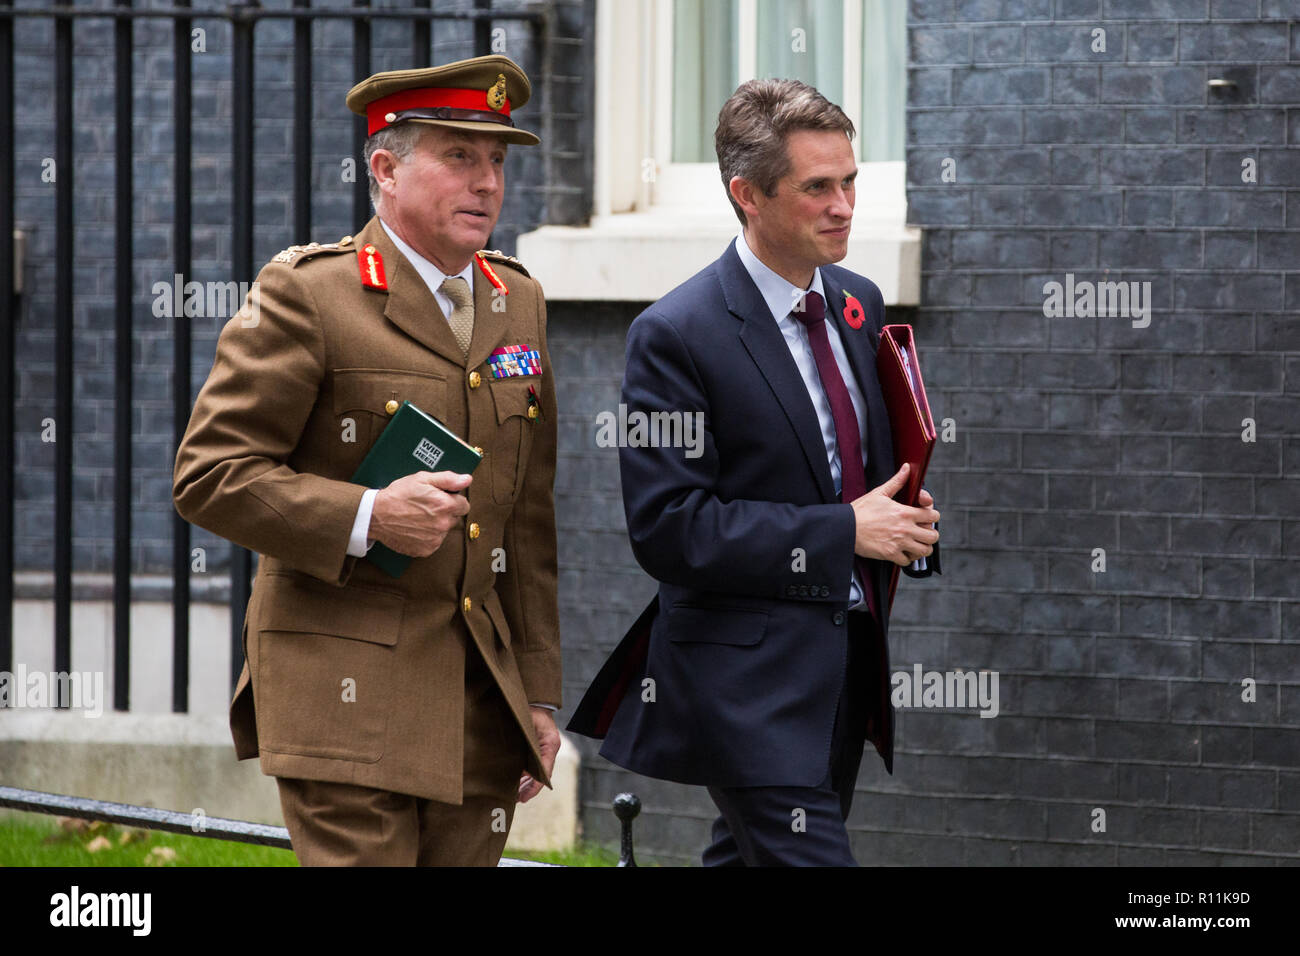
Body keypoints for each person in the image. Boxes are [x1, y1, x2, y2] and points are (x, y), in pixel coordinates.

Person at [173, 54, 561, 866]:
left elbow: (525, 521)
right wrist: (367, 516)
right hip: (341, 690)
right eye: (459, 157)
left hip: (479, 697)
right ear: (384, 169)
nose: (487, 182)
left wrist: (538, 692)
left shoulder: (516, 299)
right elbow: (211, 474)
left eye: (496, 160)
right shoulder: (311, 293)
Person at [568, 78, 941, 866]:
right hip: (745, 685)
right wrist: (846, 530)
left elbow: (854, 478)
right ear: (748, 195)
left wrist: (902, 520)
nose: (844, 205)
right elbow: (670, 529)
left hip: (844, 662)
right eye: (817, 187)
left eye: (850, 182)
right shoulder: (672, 333)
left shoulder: (858, 302)